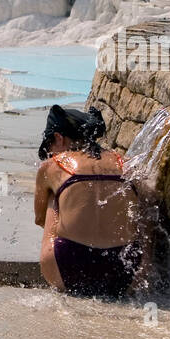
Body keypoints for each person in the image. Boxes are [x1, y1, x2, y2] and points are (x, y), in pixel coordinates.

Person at [34, 105, 142, 297]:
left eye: (50, 146)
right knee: (138, 206)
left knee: (54, 196)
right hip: (122, 271)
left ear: (59, 137)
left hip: (69, 266)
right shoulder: (125, 163)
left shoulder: (53, 165)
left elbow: (40, 218)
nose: (51, 154)